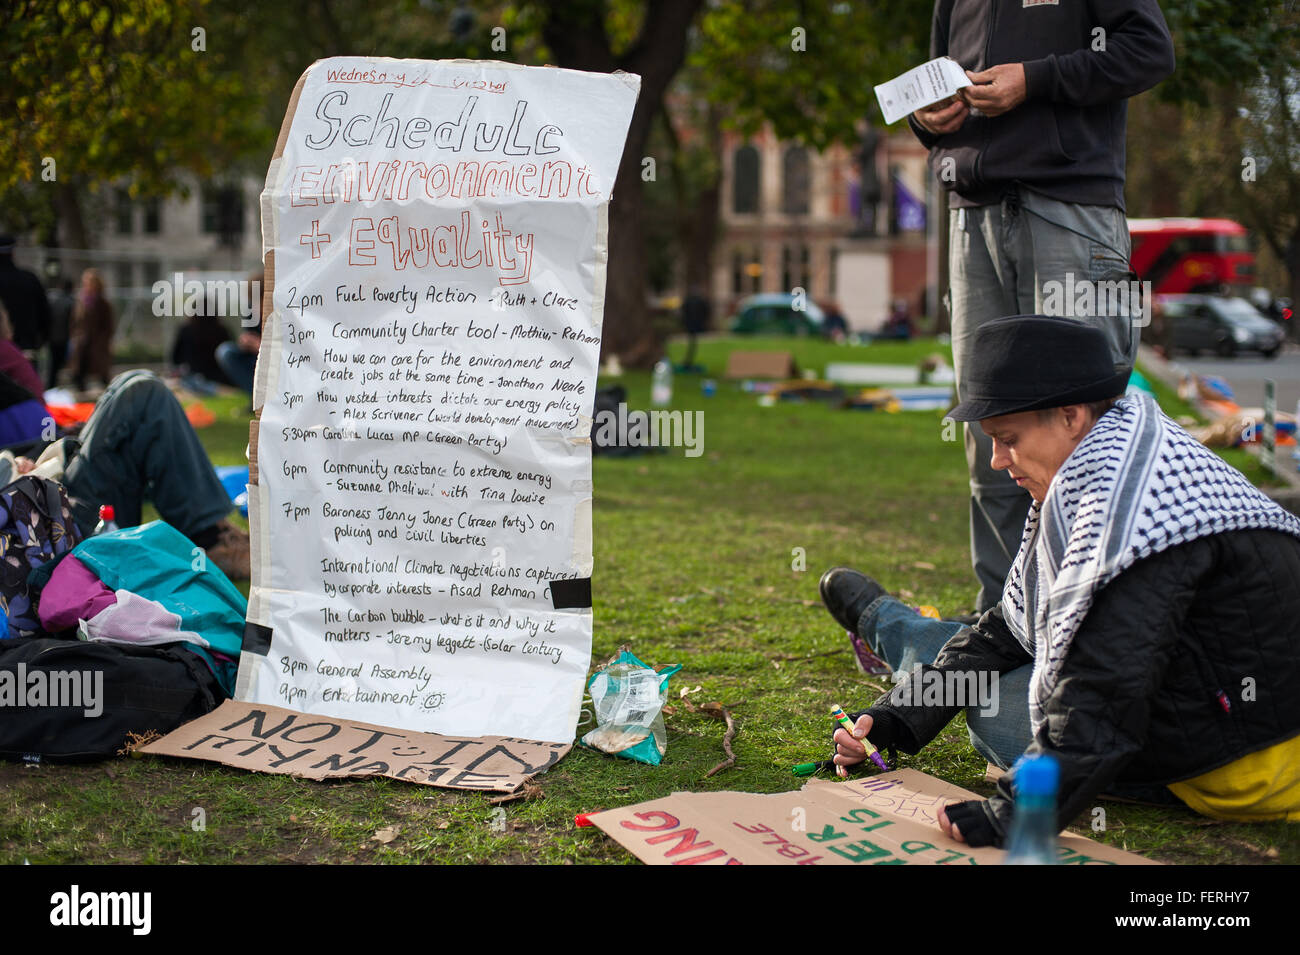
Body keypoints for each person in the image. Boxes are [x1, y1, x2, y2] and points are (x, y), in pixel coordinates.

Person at [819, 316, 1300, 847]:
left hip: (1240, 765)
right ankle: (895, 630)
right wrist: (889, 722)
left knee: (988, 703)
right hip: (1215, 716)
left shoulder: (1125, 516)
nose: (999, 461)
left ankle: (888, 625)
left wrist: (1014, 815)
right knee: (985, 658)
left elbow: (1102, 693)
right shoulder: (1126, 459)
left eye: (1007, 440)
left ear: (1070, 416)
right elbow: (1007, 628)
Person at [910, 1, 1176, 613]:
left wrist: (1034, 80)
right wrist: (928, 119)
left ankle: (1107, 624)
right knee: (991, 434)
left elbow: (1149, 50)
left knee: (1085, 424)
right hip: (971, 217)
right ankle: (1007, 630)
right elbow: (936, 88)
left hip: (1071, 208)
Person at [0, 369, 249, 580]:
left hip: (44, 490)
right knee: (143, 393)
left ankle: (211, 533)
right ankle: (211, 541)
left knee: (129, 381)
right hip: (47, 522)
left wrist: (16, 461)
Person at [0, 234, 51, 352]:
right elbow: (45, 314)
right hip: (26, 347)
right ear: (13, 253)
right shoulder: (30, 279)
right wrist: (41, 340)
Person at [70, 268, 116, 392]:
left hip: (97, 343)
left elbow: (109, 326)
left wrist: (102, 341)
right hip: (82, 341)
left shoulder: (103, 303)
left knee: (102, 372)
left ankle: (110, 393)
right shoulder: (81, 301)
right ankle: (81, 394)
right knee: (79, 371)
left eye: (90, 282)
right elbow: (75, 322)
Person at [45, 278, 74, 390]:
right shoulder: (70, 301)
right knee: (62, 364)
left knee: (52, 364)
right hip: (64, 337)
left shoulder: (51, 298)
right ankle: (57, 386)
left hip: (51, 337)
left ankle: (51, 386)